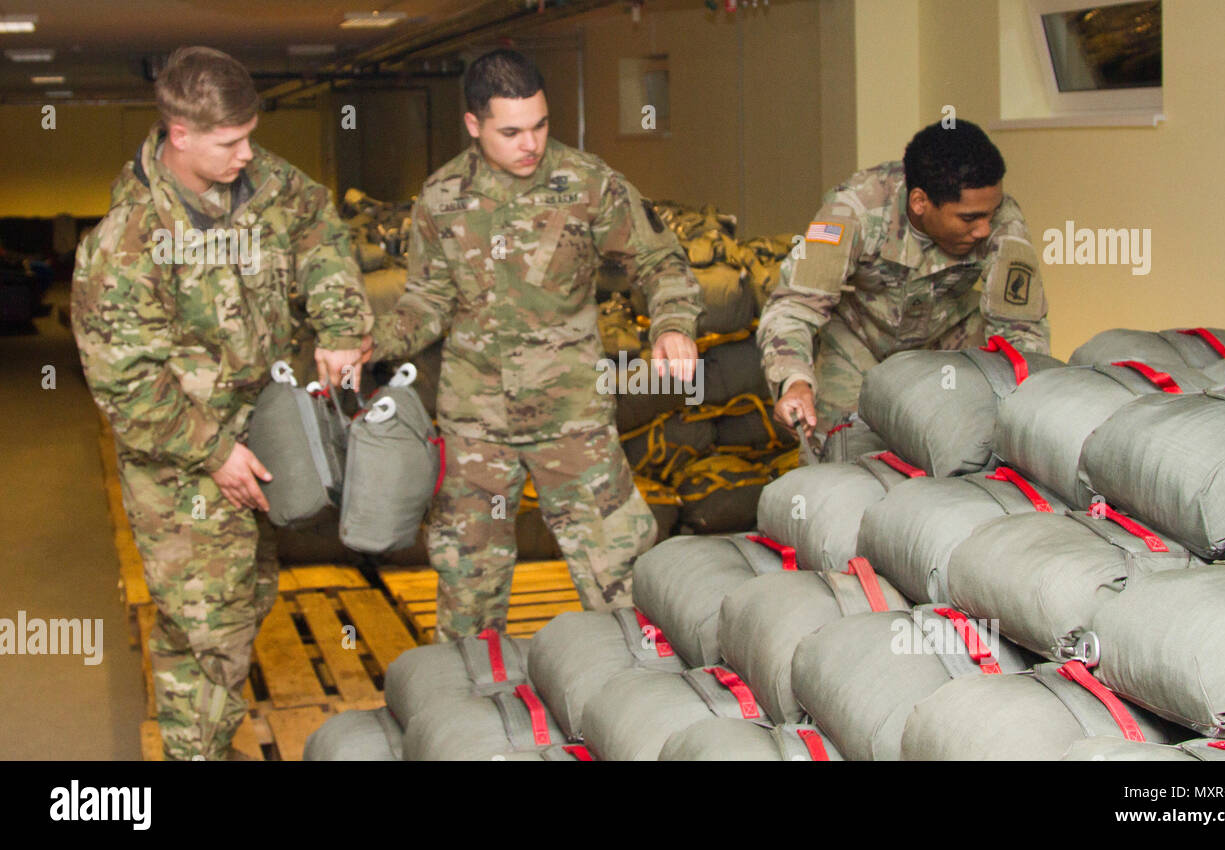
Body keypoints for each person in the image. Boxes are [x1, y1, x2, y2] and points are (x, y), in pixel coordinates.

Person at [71, 46, 373, 760]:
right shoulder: (128, 242)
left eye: (250, 136)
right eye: (229, 142)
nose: (247, 154)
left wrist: (338, 322)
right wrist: (212, 451)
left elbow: (321, 233)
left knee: (245, 599)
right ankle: (195, 752)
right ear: (179, 134)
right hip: (183, 461)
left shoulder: (267, 183)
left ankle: (201, 743)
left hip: (264, 430)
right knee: (210, 628)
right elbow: (127, 386)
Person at [372, 49, 702, 641]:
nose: (531, 144)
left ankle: (640, 701)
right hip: (476, 425)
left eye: (541, 125)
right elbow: (427, 300)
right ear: (473, 125)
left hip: (571, 417)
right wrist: (371, 342)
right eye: (512, 131)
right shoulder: (441, 198)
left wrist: (671, 323)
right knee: (467, 584)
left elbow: (658, 258)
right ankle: (474, 712)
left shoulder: (587, 183)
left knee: (620, 572)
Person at [759, 118, 1050, 439]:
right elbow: (793, 306)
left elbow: (1020, 328)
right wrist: (795, 381)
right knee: (839, 450)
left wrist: (1025, 403)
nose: (983, 229)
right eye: (969, 218)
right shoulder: (853, 210)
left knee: (969, 442)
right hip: (859, 343)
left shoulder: (1004, 220)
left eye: (989, 215)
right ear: (920, 202)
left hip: (949, 341)